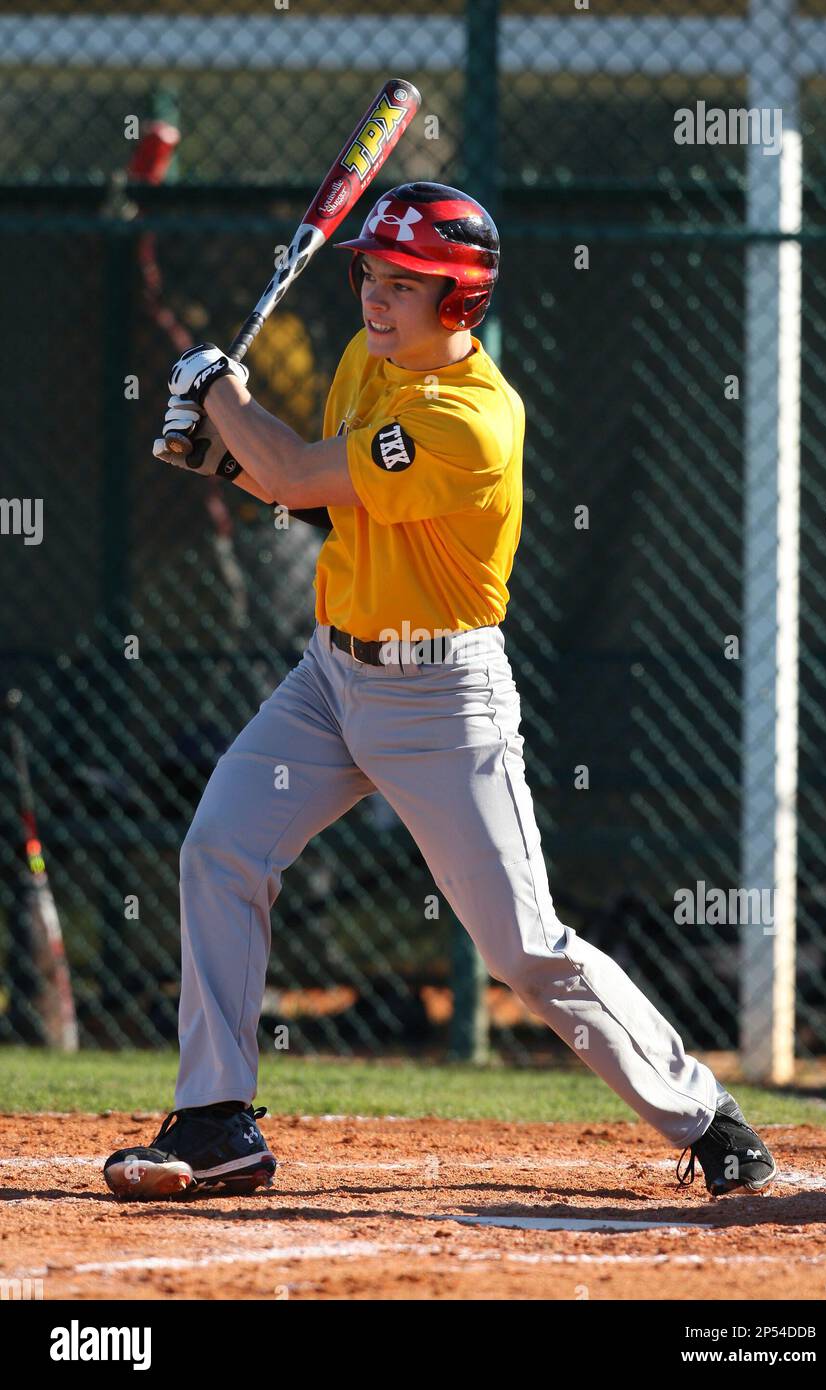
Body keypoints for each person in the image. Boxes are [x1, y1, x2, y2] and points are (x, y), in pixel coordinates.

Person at [103, 183, 776, 1202]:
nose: (376, 298)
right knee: (221, 846)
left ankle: (706, 1119)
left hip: (439, 701)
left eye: (404, 284)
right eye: (371, 274)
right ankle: (215, 1119)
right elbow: (324, 498)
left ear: (458, 302)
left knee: (522, 946)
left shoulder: (470, 420)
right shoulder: (362, 364)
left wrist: (221, 394)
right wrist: (216, 450)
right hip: (329, 677)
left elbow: (293, 475)